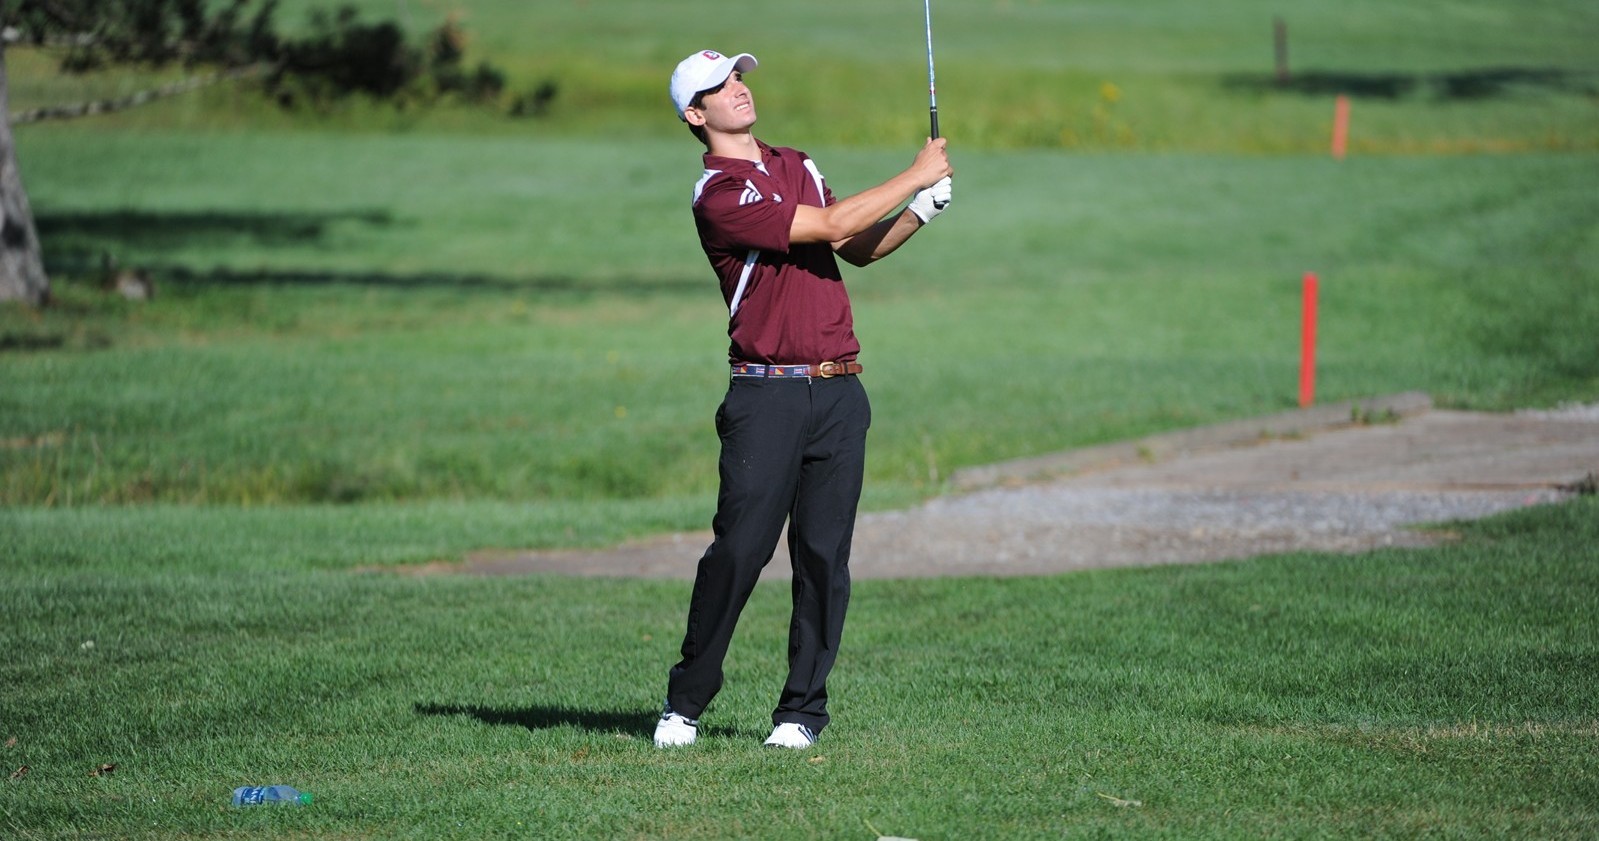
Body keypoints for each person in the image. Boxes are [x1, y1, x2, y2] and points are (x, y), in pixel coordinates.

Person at [654, 49, 953, 750]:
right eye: (717, 87)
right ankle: (685, 700)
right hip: (766, 396)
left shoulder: (797, 163)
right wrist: (914, 170)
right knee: (740, 551)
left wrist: (920, 210)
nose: (737, 88)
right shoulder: (719, 193)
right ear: (695, 115)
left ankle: (800, 712)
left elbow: (855, 245)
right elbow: (824, 227)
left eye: (737, 76)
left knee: (823, 557)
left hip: (840, 390)